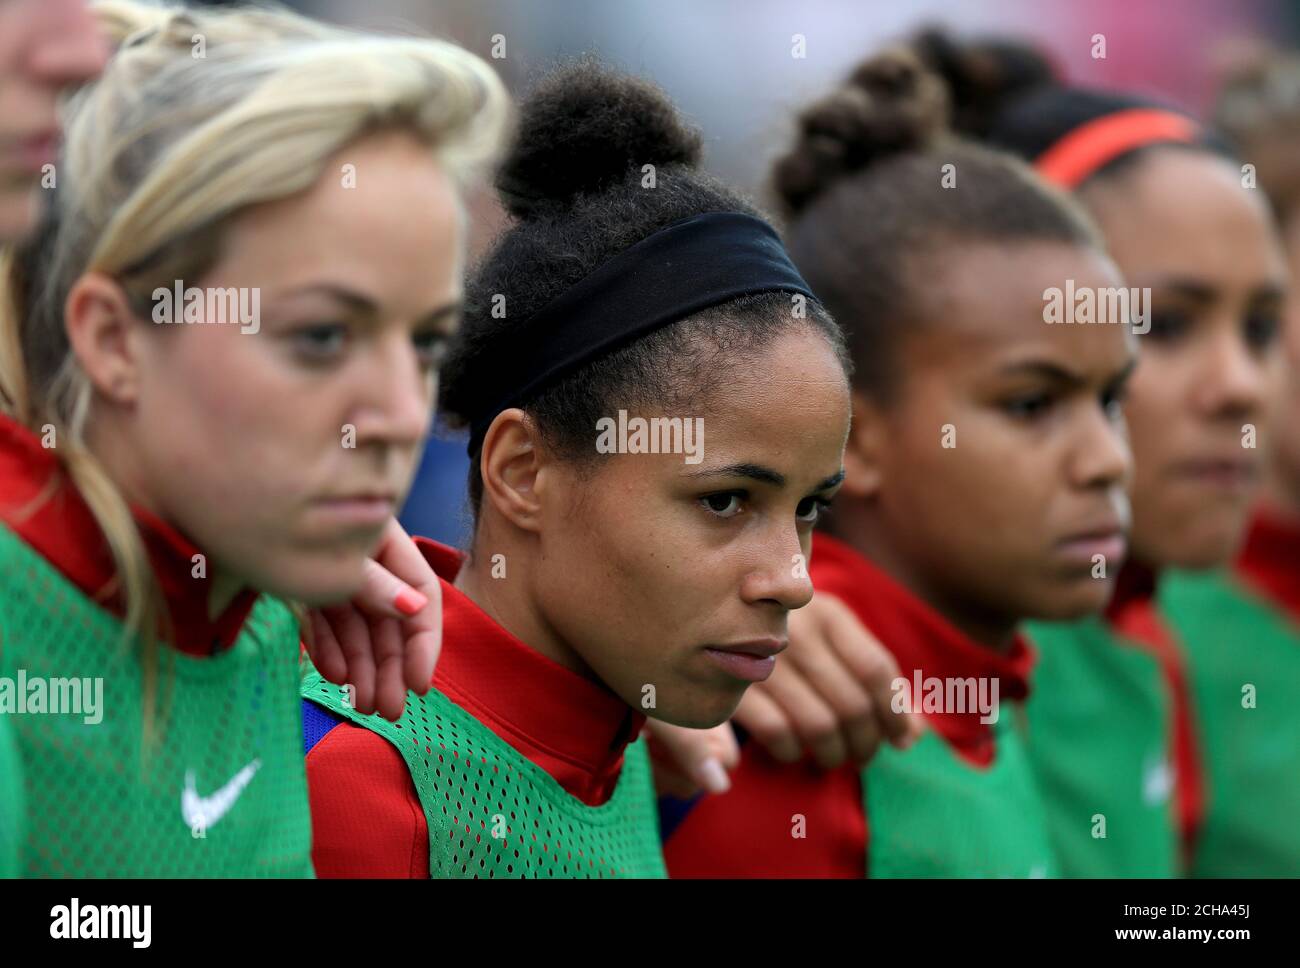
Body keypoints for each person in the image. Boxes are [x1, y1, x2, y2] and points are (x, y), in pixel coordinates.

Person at [301, 58, 853, 878]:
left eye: (809, 508)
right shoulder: (363, 788)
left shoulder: (642, 751)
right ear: (523, 471)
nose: (793, 579)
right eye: (727, 500)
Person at [0, 0, 509, 875]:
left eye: (425, 341)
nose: (398, 414)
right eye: (319, 337)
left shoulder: (263, 603)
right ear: (116, 340)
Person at [662, 47, 1135, 877]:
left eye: (1110, 401)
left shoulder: (985, 688)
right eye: (1032, 405)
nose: (1106, 461)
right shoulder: (781, 726)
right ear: (855, 437)